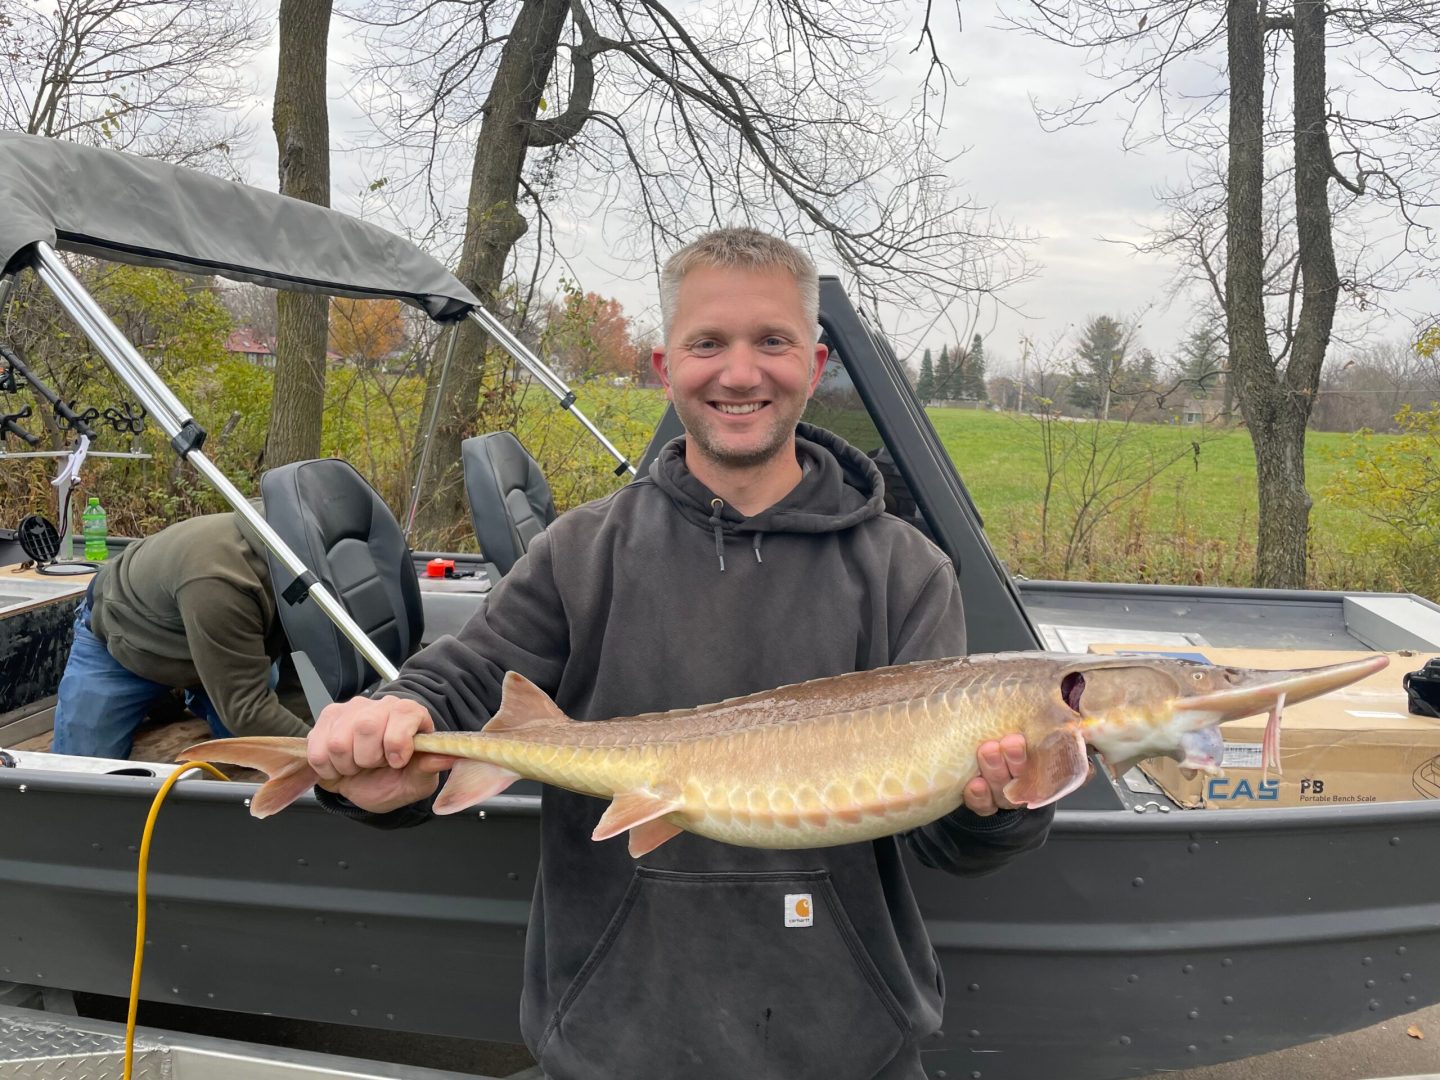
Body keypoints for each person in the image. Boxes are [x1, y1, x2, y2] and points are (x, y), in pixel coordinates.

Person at [307, 228, 1054, 1080]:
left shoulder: (906, 570)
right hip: (615, 1041)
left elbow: (951, 843)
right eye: (709, 344)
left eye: (772, 341)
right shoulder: (581, 550)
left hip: (849, 1045)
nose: (741, 374)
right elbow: (466, 682)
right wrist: (390, 737)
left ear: (814, 365)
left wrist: (1004, 806)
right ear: (666, 367)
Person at [51, 507, 310, 759]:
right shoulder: (220, 580)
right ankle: (163, 693)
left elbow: (301, 676)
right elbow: (247, 709)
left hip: (221, 649)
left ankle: (182, 693)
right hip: (125, 640)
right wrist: (319, 761)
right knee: (83, 768)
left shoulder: (313, 564)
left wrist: (311, 741)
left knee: (253, 751)